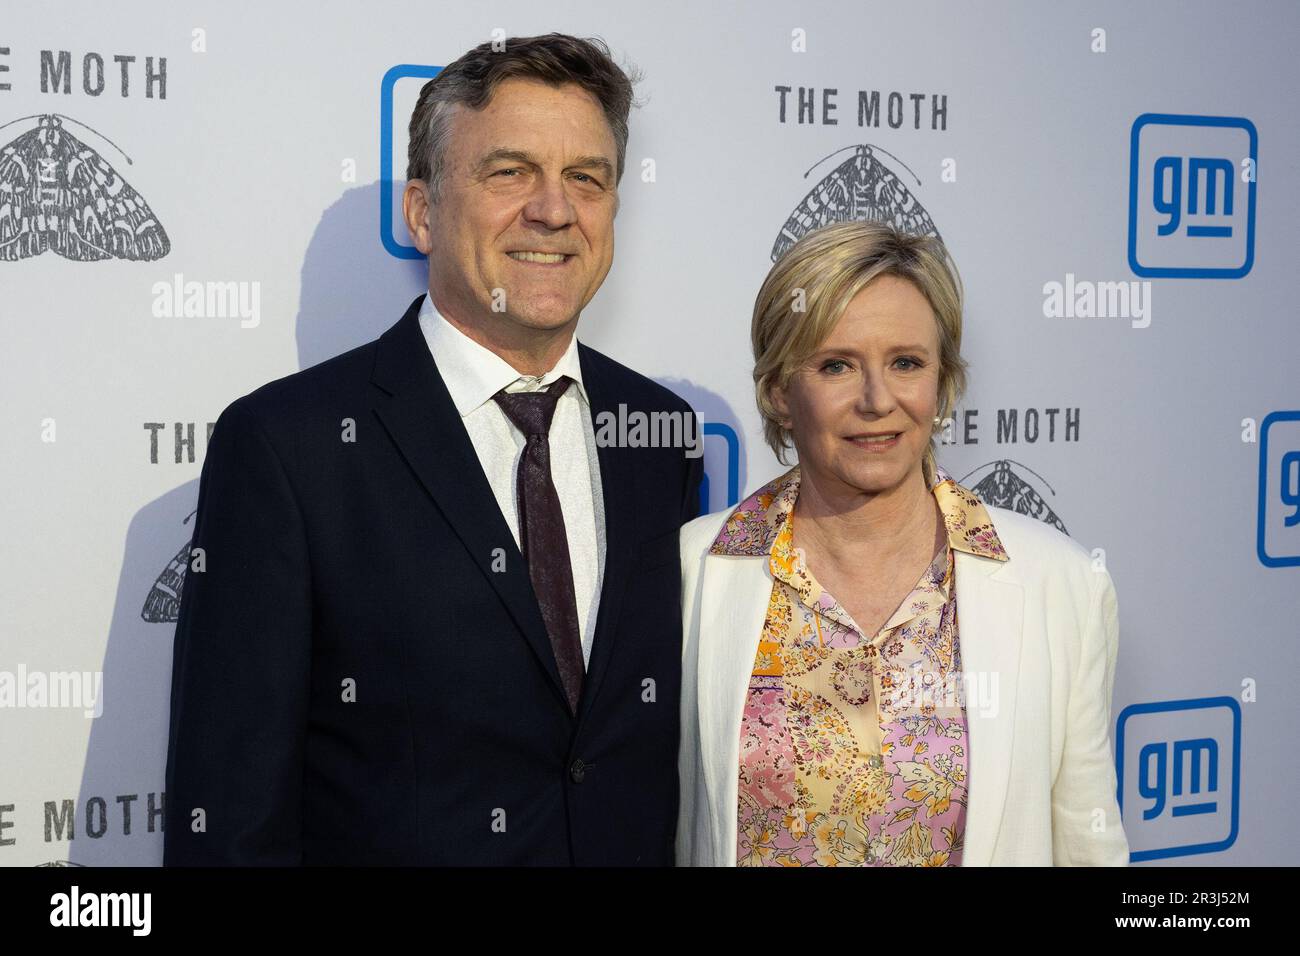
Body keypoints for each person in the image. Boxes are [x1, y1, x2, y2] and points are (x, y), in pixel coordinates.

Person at [164, 33, 702, 866]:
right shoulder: (286, 449)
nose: (553, 210)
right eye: (509, 172)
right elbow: (230, 821)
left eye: (586, 178)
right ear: (422, 212)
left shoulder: (659, 434)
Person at [677, 220, 1129, 866]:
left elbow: (1089, 845)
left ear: (942, 383)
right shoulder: (695, 570)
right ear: (780, 391)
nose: (877, 400)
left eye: (906, 363)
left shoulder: (1059, 584)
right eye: (836, 365)